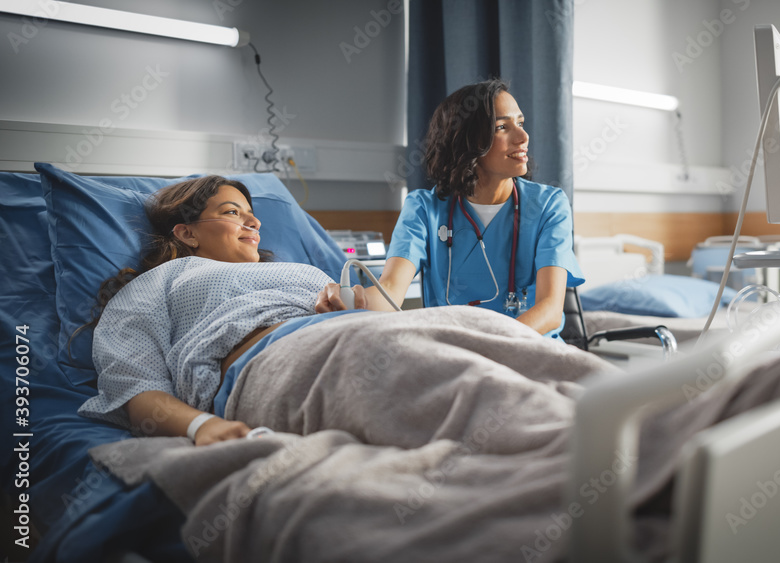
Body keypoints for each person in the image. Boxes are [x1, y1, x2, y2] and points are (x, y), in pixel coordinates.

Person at [76, 175, 607, 447]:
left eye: (254, 215)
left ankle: (622, 417)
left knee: (498, 342)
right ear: (186, 232)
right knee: (470, 392)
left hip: (356, 332)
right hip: (276, 361)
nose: (253, 224)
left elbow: (382, 315)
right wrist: (199, 429)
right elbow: (134, 387)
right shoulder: (159, 283)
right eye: (231, 213)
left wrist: (351, 302)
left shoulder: (301, 272)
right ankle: (610, 445)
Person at [320, 79, 583, 338]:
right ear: (467, 141)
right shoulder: (424, 209)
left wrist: (490, 348)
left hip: (528, 350)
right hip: (453, 354)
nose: (523, 137)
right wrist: (352, 300)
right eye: (502, 127)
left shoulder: (549, 205)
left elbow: (548, 310)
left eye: (521, 123)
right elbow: (390, 291)